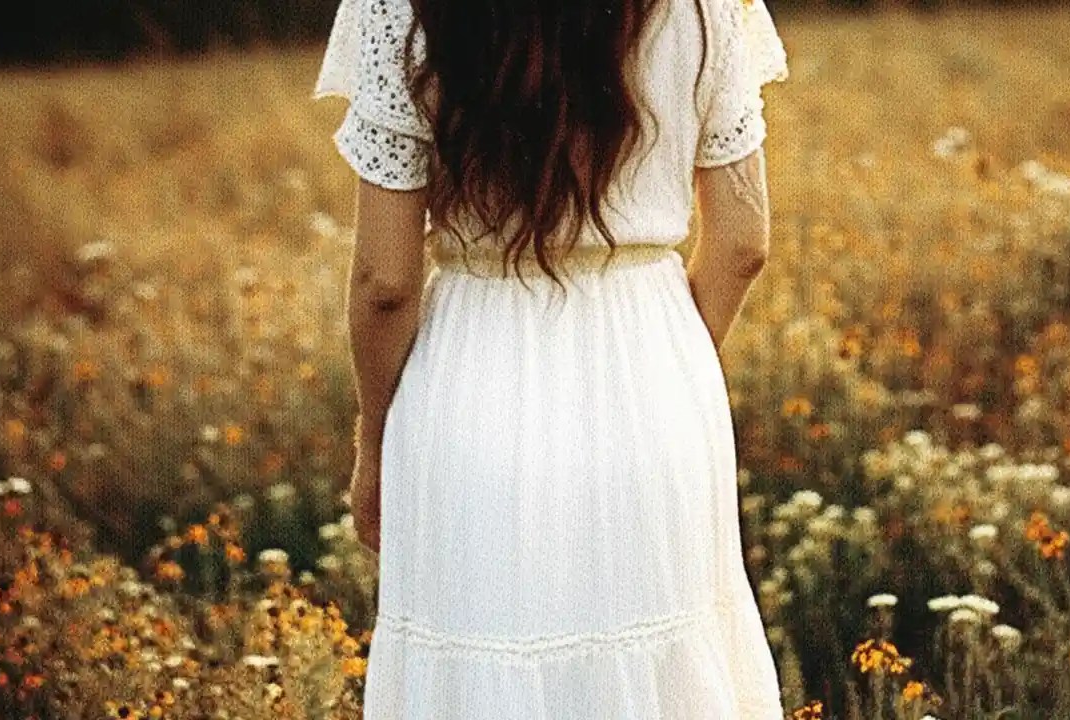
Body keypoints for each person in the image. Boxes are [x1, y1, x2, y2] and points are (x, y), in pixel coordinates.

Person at [313, 0, 788, 714]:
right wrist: (669, 364)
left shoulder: (394, 8)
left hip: (473, 377)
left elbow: (385, 283)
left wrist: (374, 439)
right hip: (655, 368)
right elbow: (743, 241)